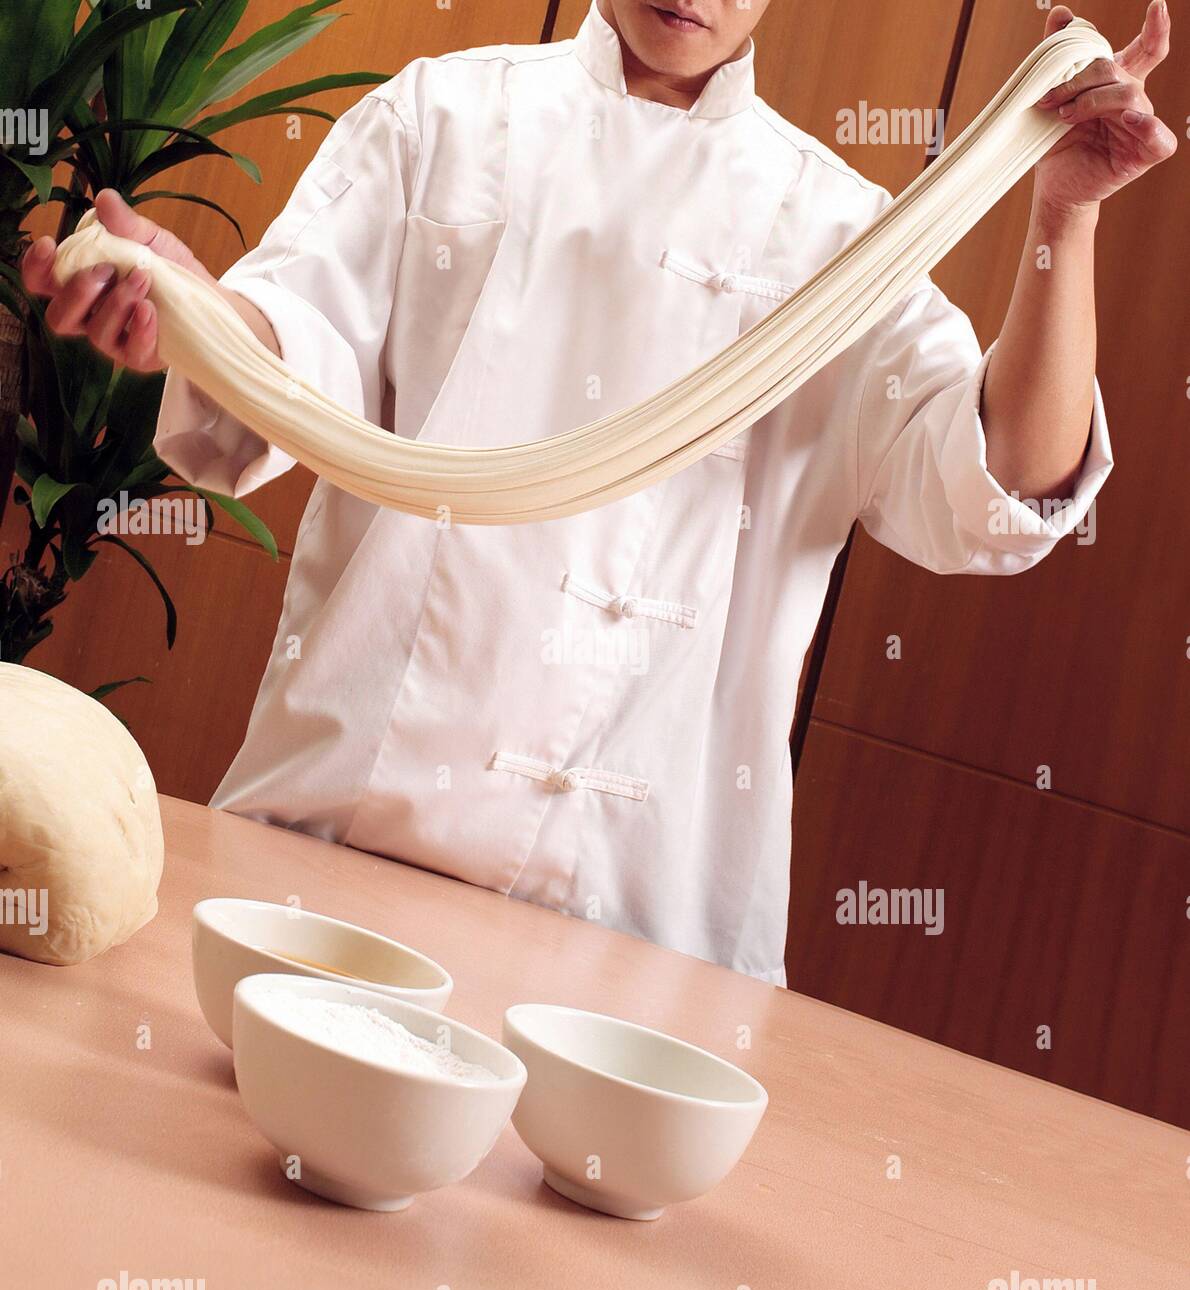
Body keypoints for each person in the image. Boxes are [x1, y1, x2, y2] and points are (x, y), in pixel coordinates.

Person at [22, 2, 1176, 984]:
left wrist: (1060, 217)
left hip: (643, 938)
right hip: (341, 853)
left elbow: (1007, 480)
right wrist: (192, 313)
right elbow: (293, 349)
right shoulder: (447, 118)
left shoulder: (841, 237)